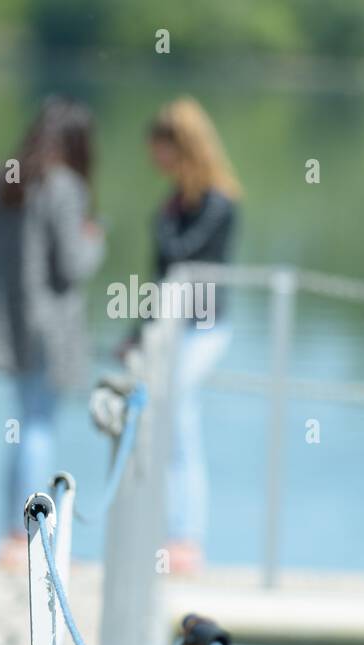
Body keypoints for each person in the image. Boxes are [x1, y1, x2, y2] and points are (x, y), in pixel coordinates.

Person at [0, 97, 105, 567]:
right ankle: (24, 532)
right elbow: (72, 266)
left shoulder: (2, 178)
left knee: (23, 426)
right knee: (39, 427)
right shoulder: (66, 186)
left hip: (10, 321)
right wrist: (95, 240)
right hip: (52, 328)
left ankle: (10, 534)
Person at [121, 97, 242, 574]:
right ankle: (173, 534)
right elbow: (159, 279)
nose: (155, 159)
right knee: (170, 423)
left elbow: (182, 257)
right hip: (171, 328)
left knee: (179, 422)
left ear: (180, 146)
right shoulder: (177, 200)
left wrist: (163, 222)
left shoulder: (218, 202)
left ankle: (187, 538)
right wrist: (137, 331)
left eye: (161, 149)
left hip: (204, 328)